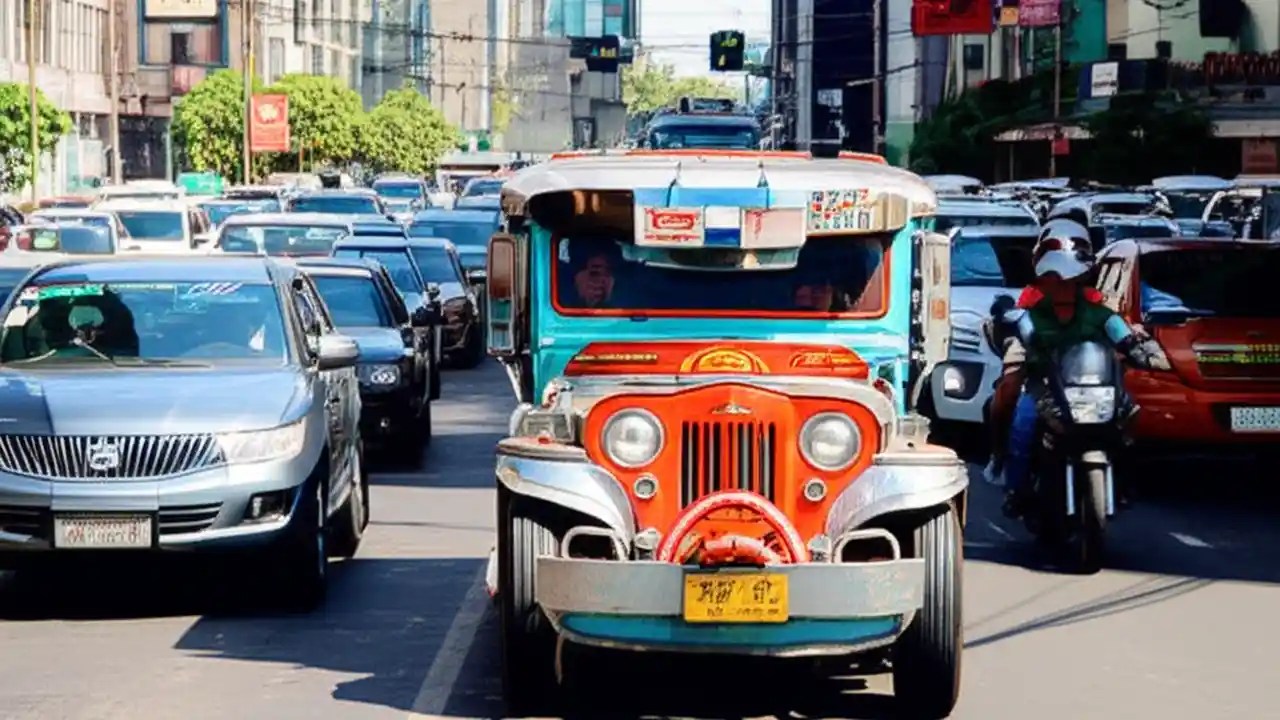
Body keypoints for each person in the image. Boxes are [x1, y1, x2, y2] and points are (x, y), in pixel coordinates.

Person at [988, 220, 1167, 516]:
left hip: (1093, 391)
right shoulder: (1030, 315)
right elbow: (1011, 331)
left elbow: (1123, 334)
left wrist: (1141, 349)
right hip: (1044, 389)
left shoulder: (1099, 312)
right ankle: (1016, 490)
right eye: (1055, 279)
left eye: (1069, 280)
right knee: (1022, 426)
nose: (1062, 286)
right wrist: (1008, 328)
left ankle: (1123, 483)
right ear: (1043, 278)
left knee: (1130, 415)